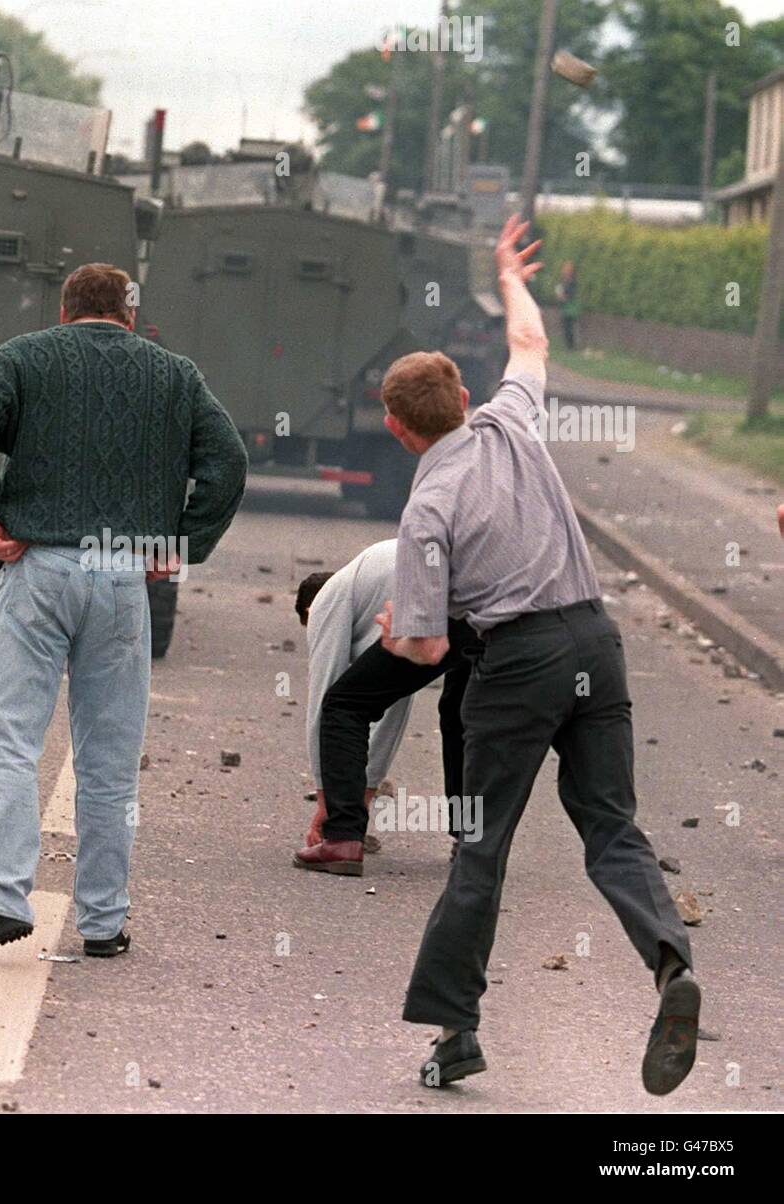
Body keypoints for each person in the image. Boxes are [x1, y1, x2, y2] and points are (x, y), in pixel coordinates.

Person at [378, 216, 698, 1095]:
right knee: (611, 825)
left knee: (480, 845)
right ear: (464, 396)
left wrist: (386, 632)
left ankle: (456, 1032)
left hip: (519, 664)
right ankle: (671, 963)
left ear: (397, 426)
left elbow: (425, 641)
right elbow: (528, 338)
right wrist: (509, 273)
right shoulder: (512, 418)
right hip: (597, 639)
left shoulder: (427, 508)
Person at [0, 262, 248, 961]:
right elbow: (227, 460)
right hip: (123, 579)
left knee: (13, 740)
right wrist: (183, 542)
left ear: (65, 309)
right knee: (109, 760)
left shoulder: (24, 356)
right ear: (129, 316)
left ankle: (0, 902)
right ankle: (103, 921)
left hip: (39, 566)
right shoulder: (175, 375)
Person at [291, 542, 476, 876]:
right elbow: (394, 696)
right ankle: (473, 839)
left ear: (308, 611)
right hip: (488, 598)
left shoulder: (325, 603)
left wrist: (330, 803)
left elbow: (328, 698)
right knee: (462, 716)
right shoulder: (369, 581)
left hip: (438, 597)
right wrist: (364, 791)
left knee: (343, 703)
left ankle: (342, 840)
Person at [555, 260, 580, 351]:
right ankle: (568, 345)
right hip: (564, 307)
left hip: (570, 306)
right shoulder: (563, 280)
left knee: (570, 327)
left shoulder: (572, 281)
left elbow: (571, 293)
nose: (565, 271)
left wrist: (564, 297)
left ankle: (572, 346)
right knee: (566, 326)